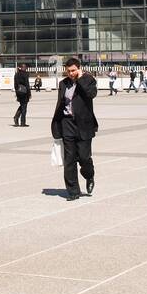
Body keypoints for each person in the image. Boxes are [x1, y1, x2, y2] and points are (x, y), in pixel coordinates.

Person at [51, 57, 98, 201]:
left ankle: (89, 176)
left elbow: (91, 94)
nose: (71, 73)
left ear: (79, 69)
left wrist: (81, 78)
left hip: (84, 125)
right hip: (67, 124)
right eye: (68, 71)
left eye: (73, 71)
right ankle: (73, 191)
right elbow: (61, 103)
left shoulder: (88, 80)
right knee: (69, 160)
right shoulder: (63, 84)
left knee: (84, 158)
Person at [13, 63, 31, 127]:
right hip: (24, 93)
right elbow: (27, 84)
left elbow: (15, 85)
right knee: (24, 108)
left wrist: (17, 92)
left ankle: (16, 117)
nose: (25, 68)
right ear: (23, 67)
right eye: (25, 67)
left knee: (22, 106)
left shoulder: (16, 74)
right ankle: (22, 122)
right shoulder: (25, 74)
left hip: (19, 92)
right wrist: (29, 93)